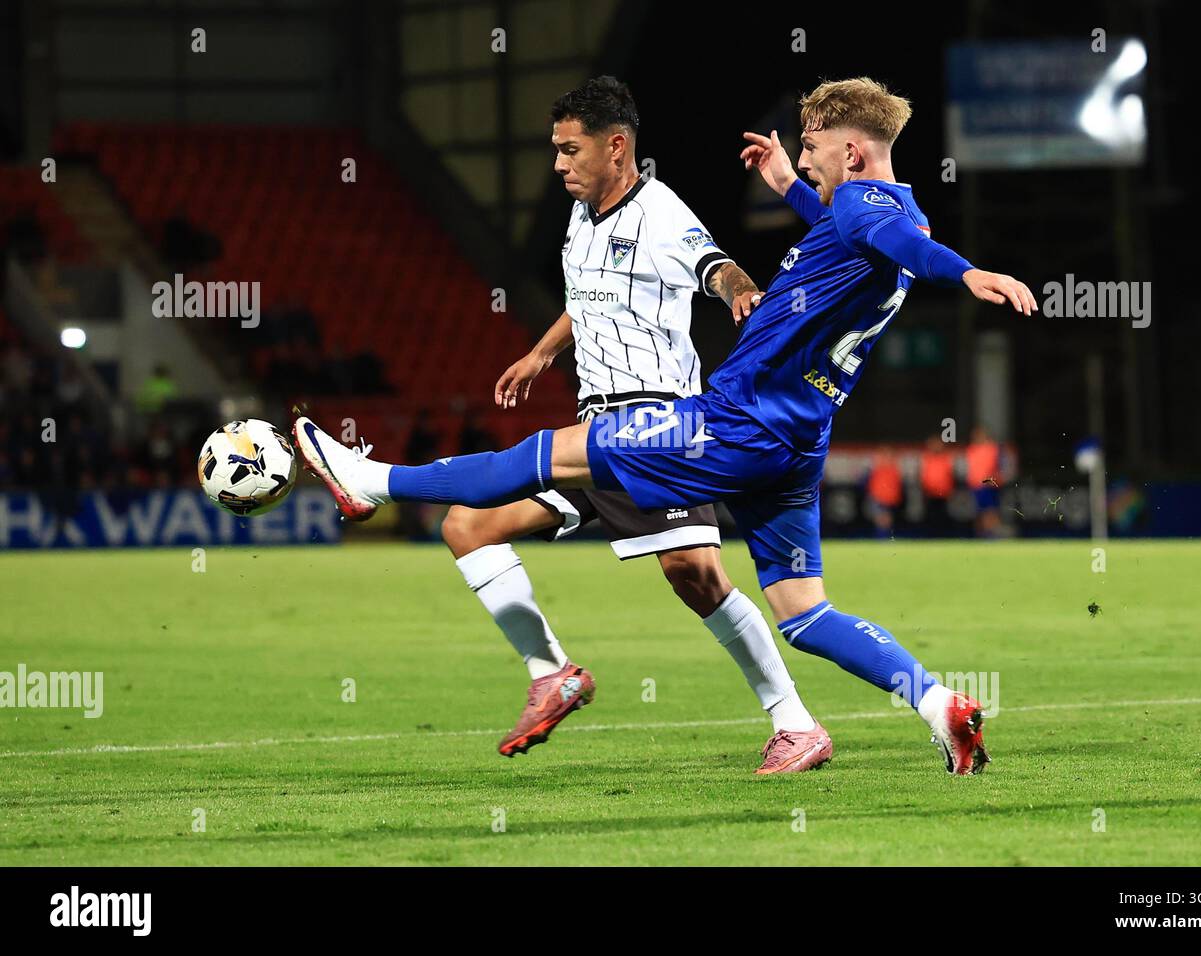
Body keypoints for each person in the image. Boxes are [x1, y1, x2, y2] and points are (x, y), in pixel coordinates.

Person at [296, 77, 1038, 774]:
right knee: (803, 613)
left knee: (552, 455)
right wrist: (785, 181)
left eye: (811, 150)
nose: (804, 162)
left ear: (851, 152)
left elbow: (903, 248)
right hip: (798, 443)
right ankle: (941, 705)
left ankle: (371, 481)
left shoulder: (871, 217)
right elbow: (869, 233)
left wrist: (969, 274)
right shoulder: (888, 211)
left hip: (733, 423)